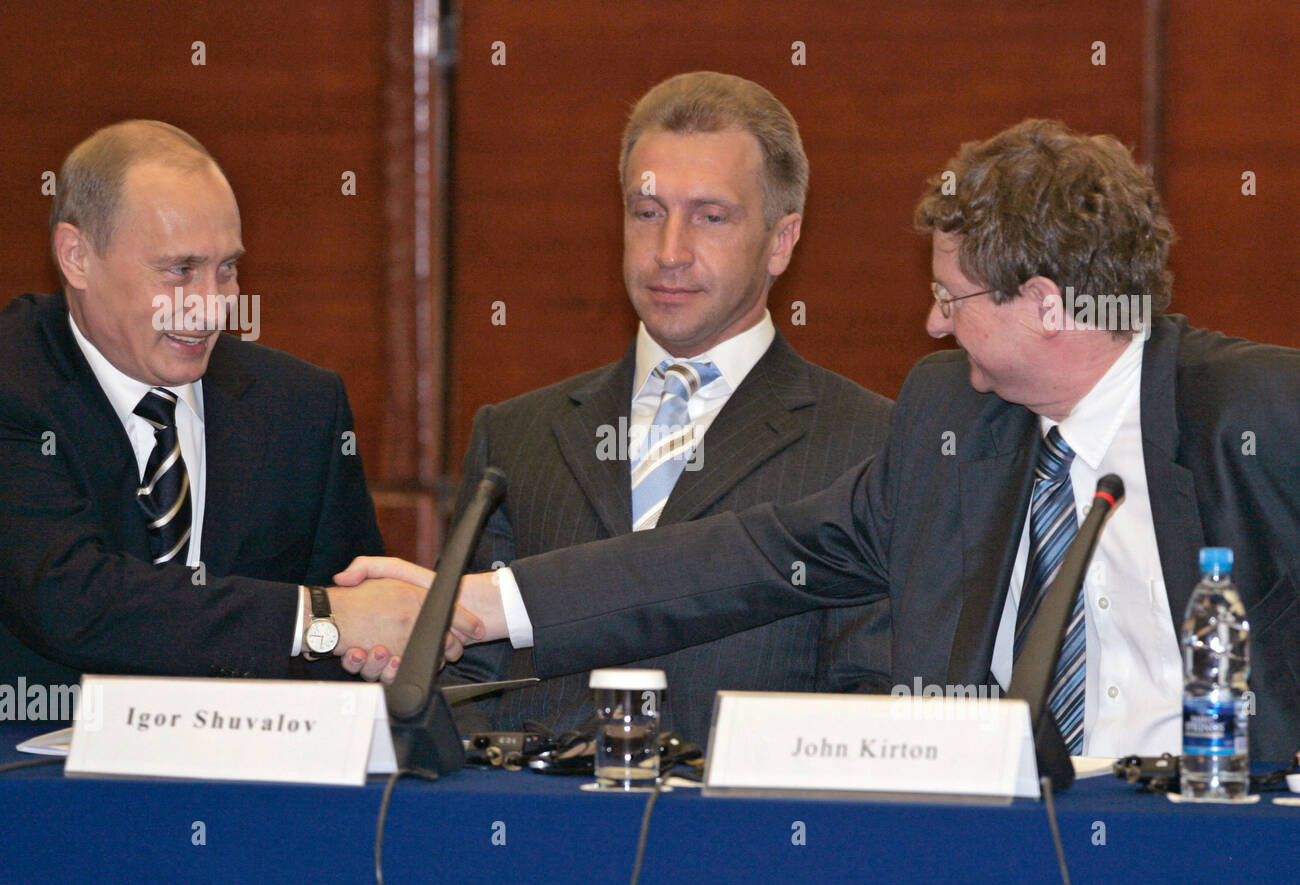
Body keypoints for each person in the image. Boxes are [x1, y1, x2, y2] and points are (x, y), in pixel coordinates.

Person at [346, 118, 1300, 761]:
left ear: (1047, 304)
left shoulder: (1255, 413)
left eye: (950, 298)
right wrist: (477, 603)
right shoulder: (953, 421)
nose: (932, 326)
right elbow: (754, 555)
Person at [425, 72, 893, 746]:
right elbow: (459, 674)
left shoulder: (867, 441)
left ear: (782, 240)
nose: (669, 253)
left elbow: (869, 703)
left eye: (710, 216)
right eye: (647, 213)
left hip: (746, 836)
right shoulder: (517, 435)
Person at [0, 120, 442, 703]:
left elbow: (352, 625)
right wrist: (317, 616)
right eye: (180, 270)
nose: (213, 307)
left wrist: (377, 647)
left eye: (227, 269)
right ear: (77, 256)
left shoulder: (301, 406)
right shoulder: (15, 380)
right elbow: (72, 598)